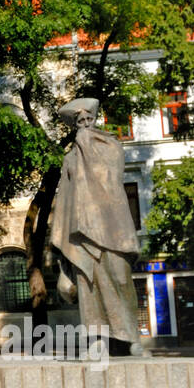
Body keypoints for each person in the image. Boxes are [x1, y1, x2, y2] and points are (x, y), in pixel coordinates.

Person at [49, 97, 144, 356]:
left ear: (95, 119)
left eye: (88, 119)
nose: (85, 124)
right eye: (79, 122)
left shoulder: (111, 146)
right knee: (89, 285)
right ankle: (98, 338)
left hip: (112, 226)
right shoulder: (70, 159)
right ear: (74, 126)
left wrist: (86, 145)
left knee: (121, 279)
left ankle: (131, 338)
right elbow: (64, 198)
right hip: (82, 231)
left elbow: (109, 177)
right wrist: (62, 239)